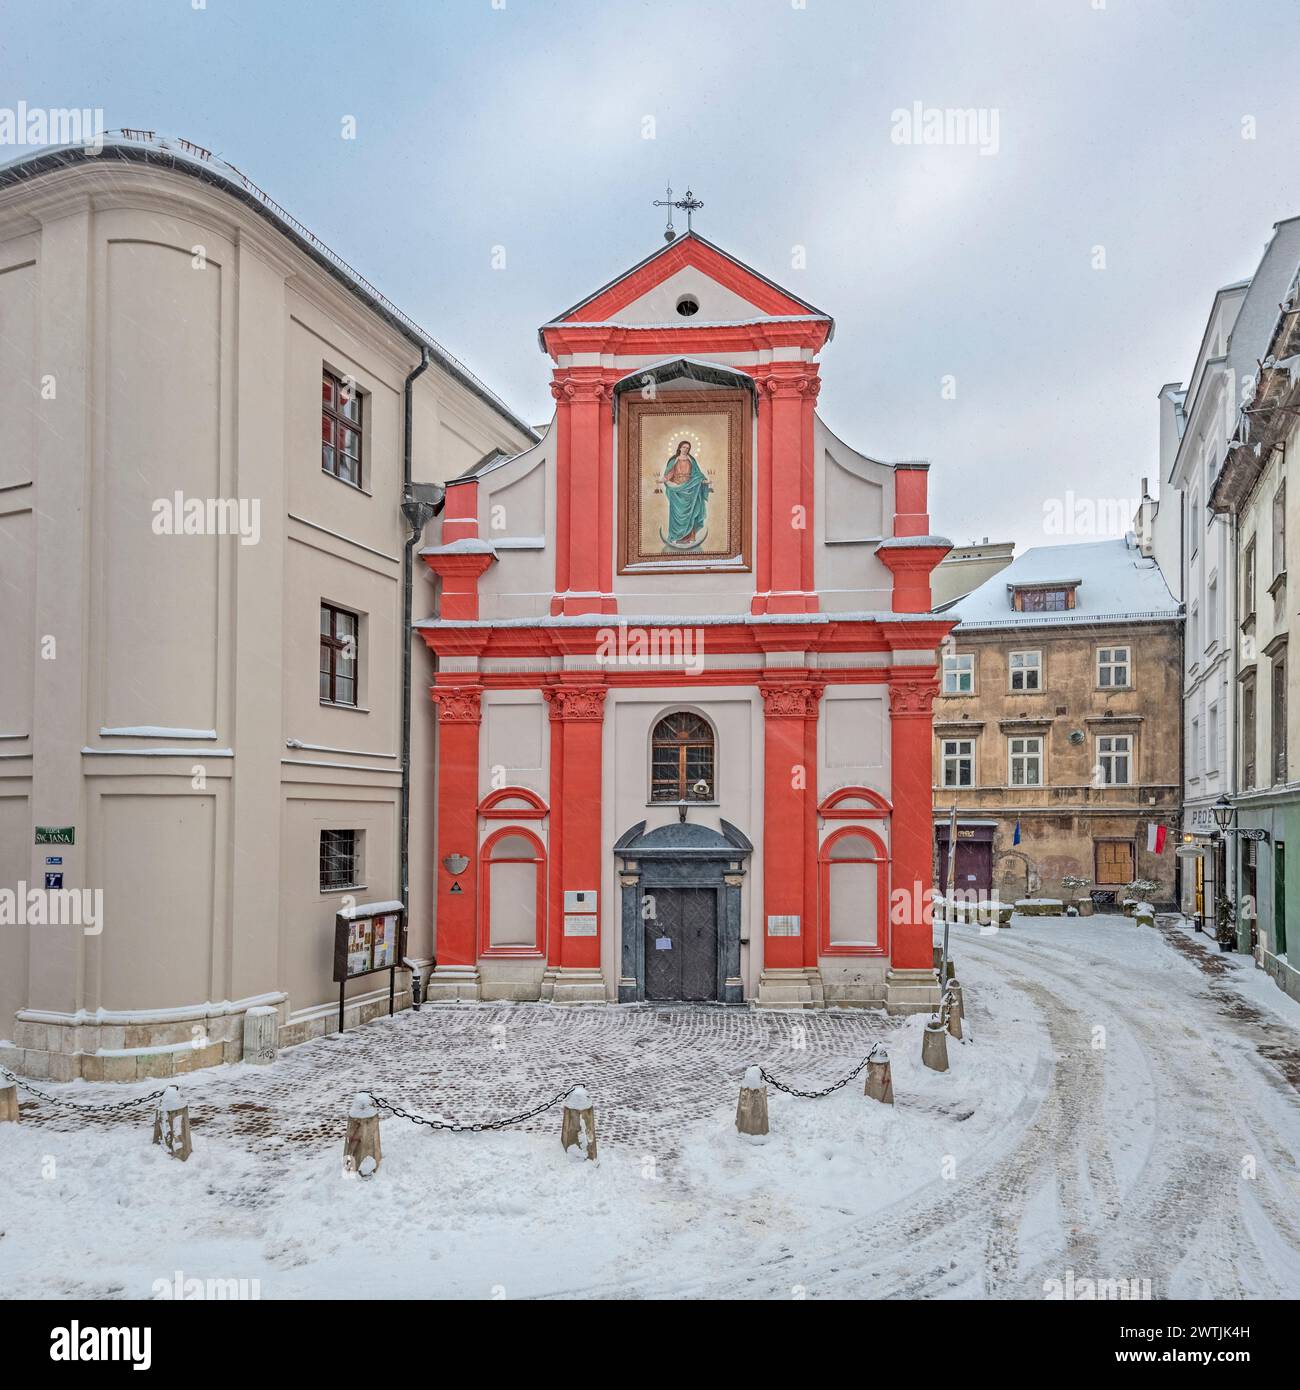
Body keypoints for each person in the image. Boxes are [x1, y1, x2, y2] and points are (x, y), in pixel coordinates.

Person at [661, 440, 709, 546]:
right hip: (677, 491)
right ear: (679, 448)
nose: (685, 449)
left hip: (691, 489)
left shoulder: (692, 460)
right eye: (684, 447)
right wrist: (664, 479)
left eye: (688, 448)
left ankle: (690, 537)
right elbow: (669, 474)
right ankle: (674, 536)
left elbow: (697, 475)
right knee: (676, 515)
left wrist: (704, 481)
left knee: (692, 513)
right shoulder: (674, 460)